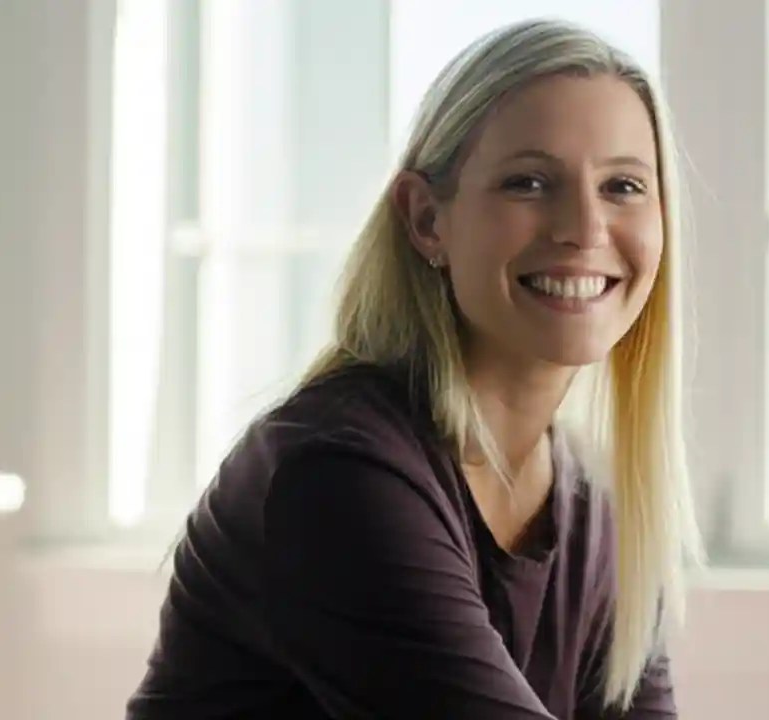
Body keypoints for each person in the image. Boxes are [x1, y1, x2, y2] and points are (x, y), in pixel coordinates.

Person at [126, 17, 703, 719]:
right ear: (427, 219)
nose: (584, 228)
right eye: (527, 182)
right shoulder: (336, 472)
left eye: (624, 186)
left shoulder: (594, 505)